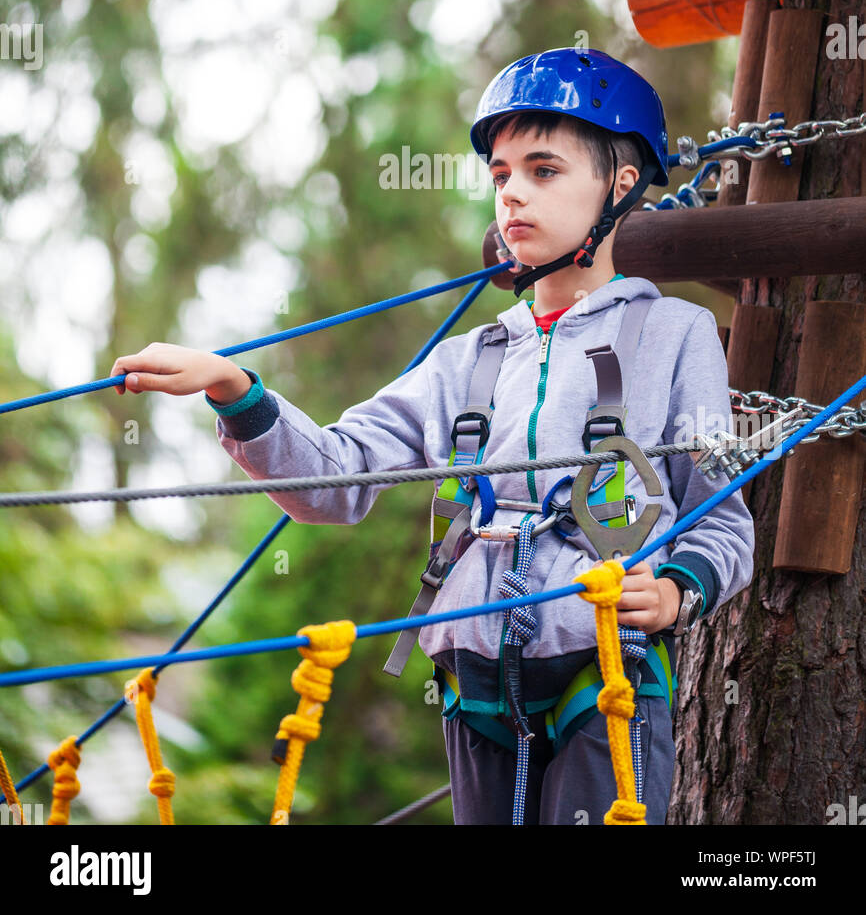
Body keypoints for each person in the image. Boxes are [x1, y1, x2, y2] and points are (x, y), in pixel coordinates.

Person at [110, 47, 754, 826]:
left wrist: (679, 591)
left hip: (608, 674)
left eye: (543, 171)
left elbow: (721, 520)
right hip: (471, 686)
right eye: (502, 174)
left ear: (619, 186)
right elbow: (335, 483)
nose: (513, 193)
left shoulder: (675, 336)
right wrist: (236, 391)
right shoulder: (465, 362)